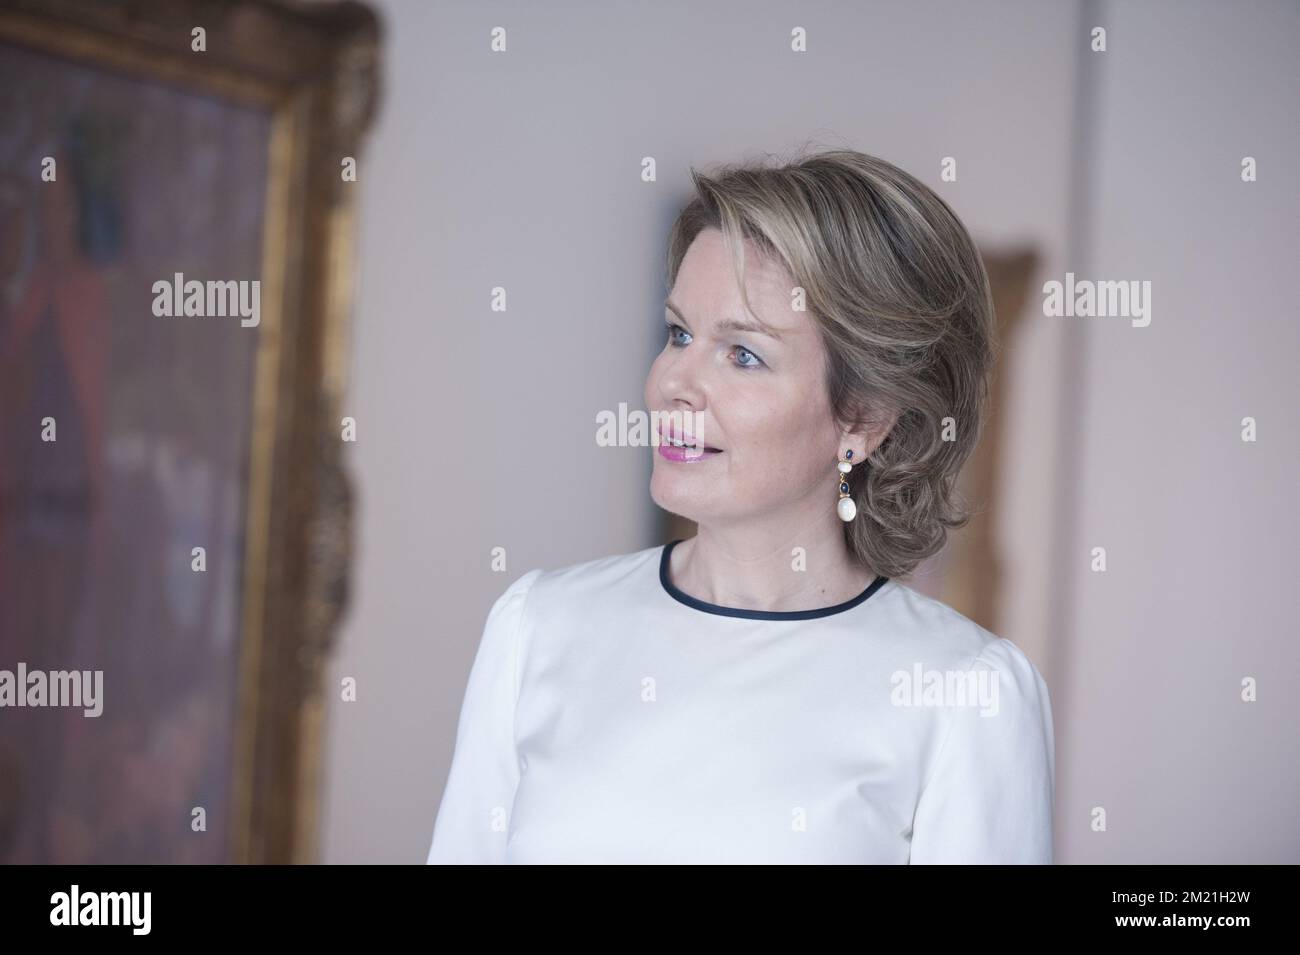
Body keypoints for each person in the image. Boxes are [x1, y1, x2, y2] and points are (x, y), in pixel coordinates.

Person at [427, 148, 1054, 864]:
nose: (672, 383)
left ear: (863, 418)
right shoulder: (536, 628)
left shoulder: (965, 691)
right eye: (679, 334)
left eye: (743, 354)